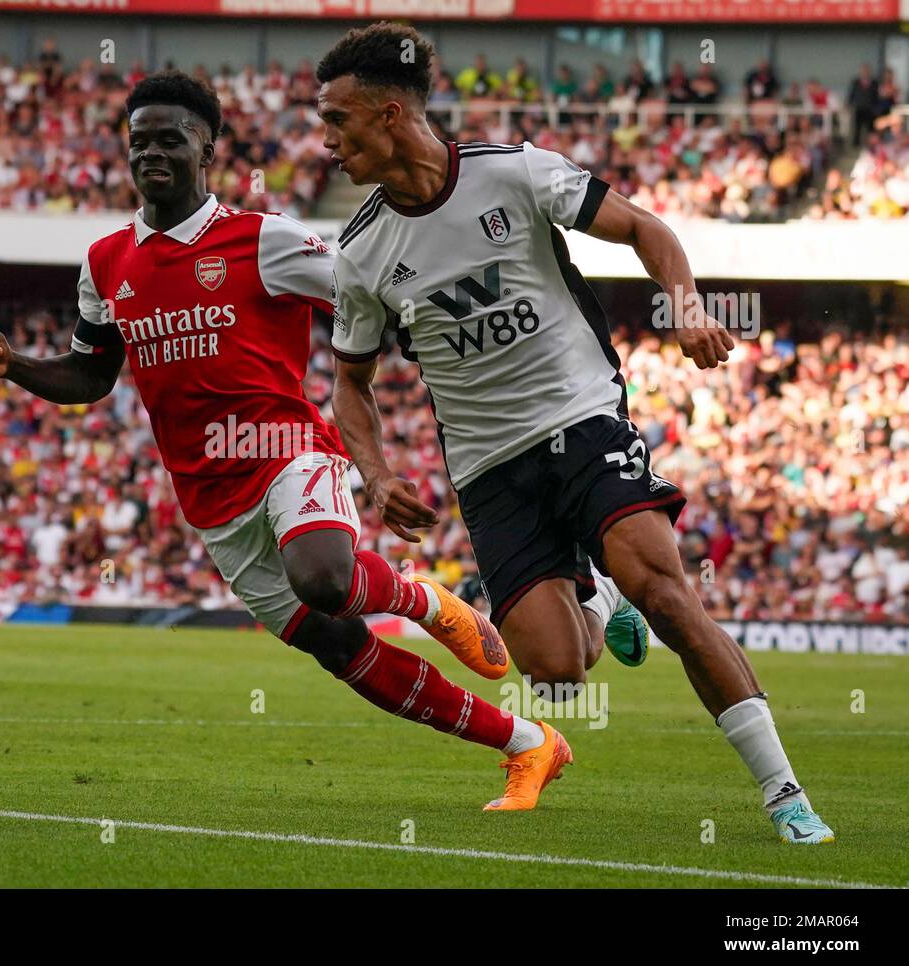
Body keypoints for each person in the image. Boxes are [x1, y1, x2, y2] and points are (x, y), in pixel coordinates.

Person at [0, 70, 574, 812]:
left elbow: (368, 296)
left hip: (289, 450)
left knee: (323, 574)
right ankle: (527, 744)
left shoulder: (265, 240)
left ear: (208, 149)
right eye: (138, 142)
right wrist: (15, 367)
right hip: (210, 500)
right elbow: (92, 375)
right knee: (338, 643)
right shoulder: (105, 263)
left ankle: (426, 602)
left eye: (170, 138)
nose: (152, 153)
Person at [316, 22, 832, 842]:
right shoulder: (361, 253)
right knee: (557, 670)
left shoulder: (516, 173)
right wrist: (374, 474)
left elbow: (646, 230)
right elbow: (351, 382)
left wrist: (686, 306)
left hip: (581, 416)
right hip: (489, 470)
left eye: (336, 121)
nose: (326, 142)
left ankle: (784, 792)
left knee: (668, 591)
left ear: (387, 115)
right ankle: (601, 592)